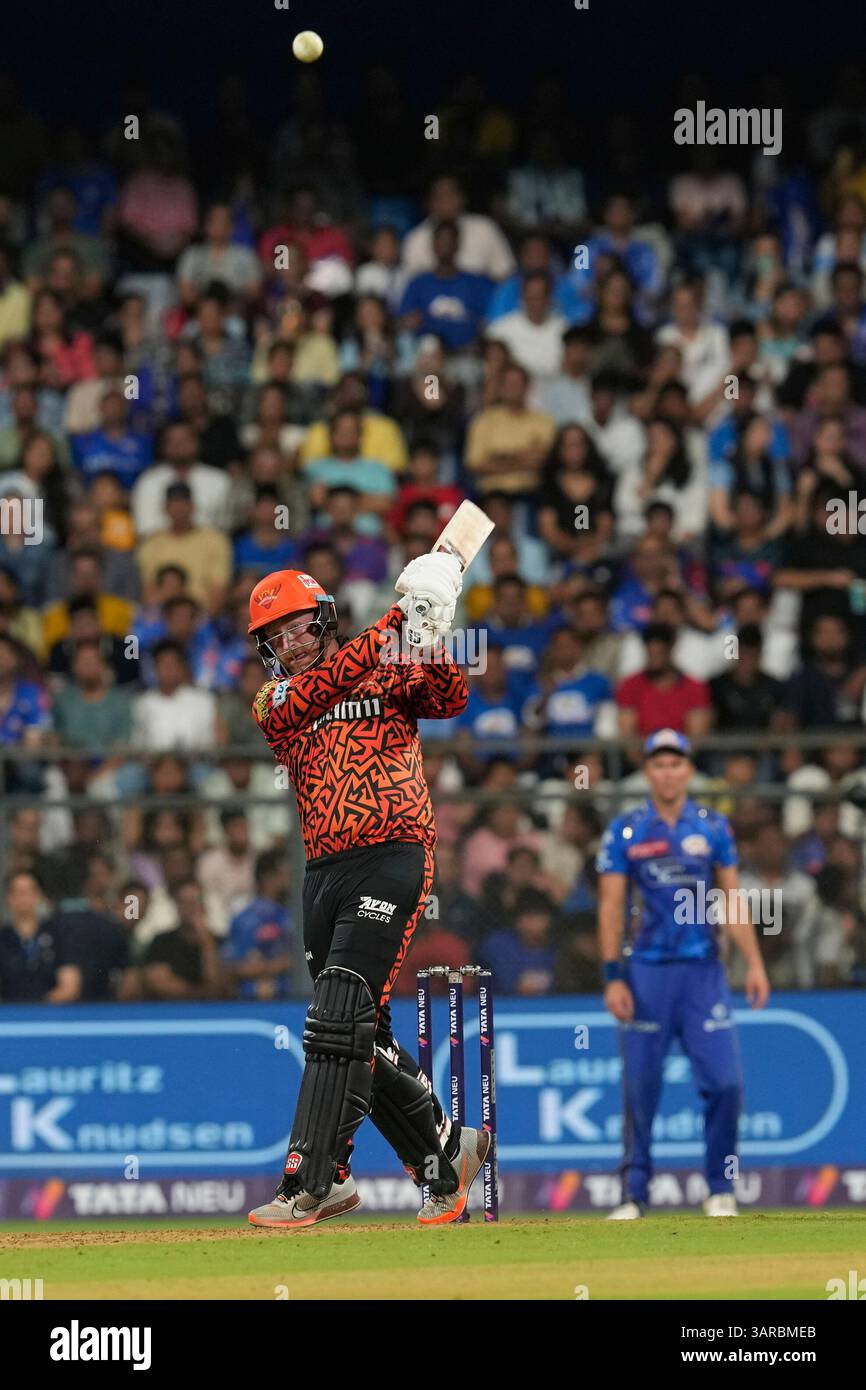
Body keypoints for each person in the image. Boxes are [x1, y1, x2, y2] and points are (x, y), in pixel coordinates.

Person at [246, 559, 488, 1230]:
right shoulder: (274, 701)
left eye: (296, 628)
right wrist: (392, 625)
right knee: (357, 1029)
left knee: (336, 1016)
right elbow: (316, 692)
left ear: (322, 618)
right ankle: (447, 1155)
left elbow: (450, 697)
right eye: (276, 638)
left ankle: (313, 1180)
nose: (289, 645)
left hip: (394, 856)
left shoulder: (386, 667)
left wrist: (432, 631)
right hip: (323, 874)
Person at [596, 730, 770, 1219]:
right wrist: (613, 975)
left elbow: (732, 899)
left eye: (676, 764)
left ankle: (720, 1187)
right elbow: (611, 907)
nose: (667, 772)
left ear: (689, 770)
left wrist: (754, 963)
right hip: (646, 972)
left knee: (726, 1083)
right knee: (641, 1087)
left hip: (702, 972)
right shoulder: (626, 830)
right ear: (647, 772)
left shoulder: (712, 826)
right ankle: (633, 1194)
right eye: (658, 764)